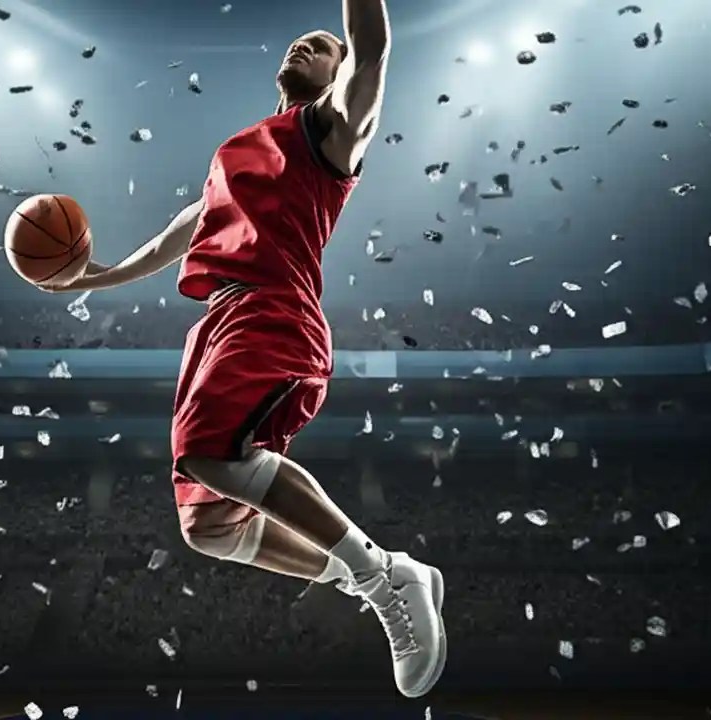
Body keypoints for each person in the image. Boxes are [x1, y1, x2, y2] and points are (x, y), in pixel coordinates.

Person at [43, 0, 445, 698]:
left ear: (339, 71)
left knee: (211, 454)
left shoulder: (331, 135)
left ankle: (381, 580)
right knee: (210, 526)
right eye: (299, 41)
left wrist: (354, 42)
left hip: (272, 309)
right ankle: (378, 574)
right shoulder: (239, 147)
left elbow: (372, 46)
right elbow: (185, 230)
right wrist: (99, 274)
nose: (302, 45)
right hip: (219, 323)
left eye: (318, 45)